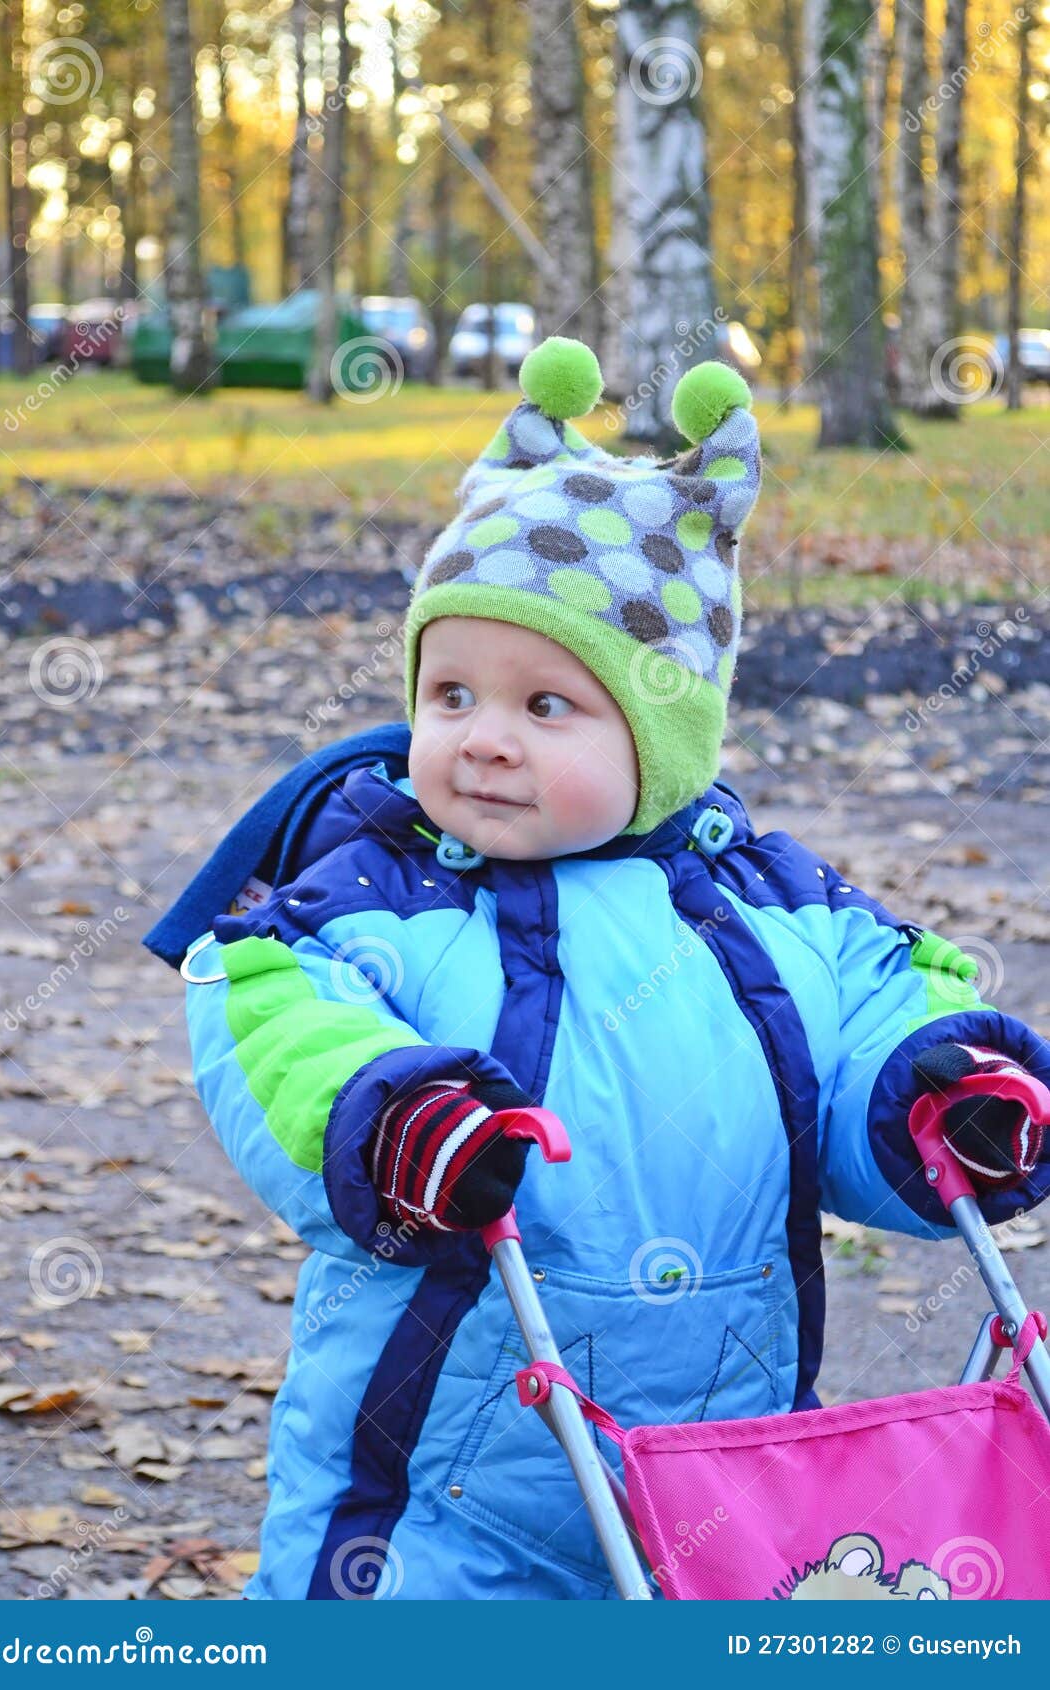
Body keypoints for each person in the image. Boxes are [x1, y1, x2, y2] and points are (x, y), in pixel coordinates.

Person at [181, 337, 1050, 1600]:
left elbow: (876, 1011)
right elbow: (269, 1017)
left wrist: (937, 1099)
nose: (481, 739)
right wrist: (392, 1118)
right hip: (434, 1490)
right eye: (451, 692)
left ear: (665, 734)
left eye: (545, 708)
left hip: (717, 1475)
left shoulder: (770, 906)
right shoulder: (374, 894)